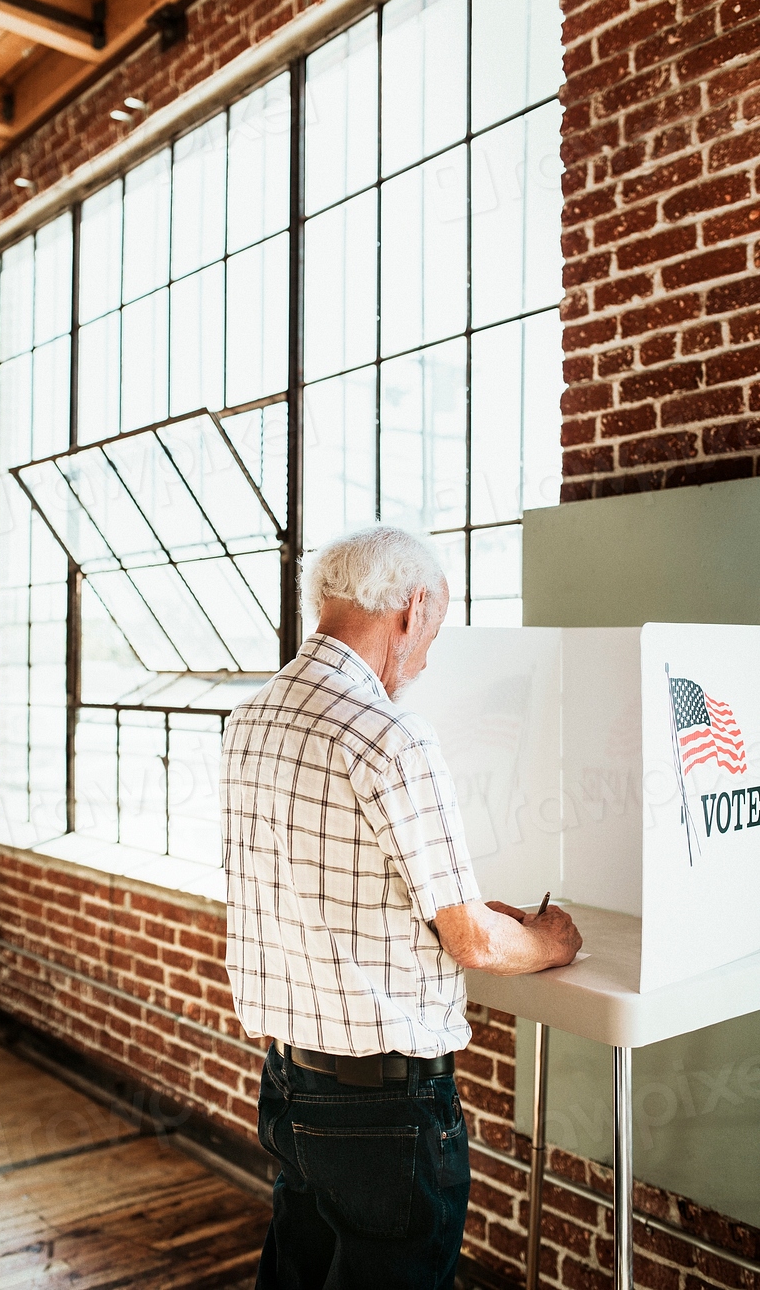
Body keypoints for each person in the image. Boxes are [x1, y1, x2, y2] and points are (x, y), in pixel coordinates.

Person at [220, 525, 581, 1290]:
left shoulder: (249, 719)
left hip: (288, 1083)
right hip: (384, 1109)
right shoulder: (390, 736)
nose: (423, 661)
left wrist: (452, 906)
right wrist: (548, 942)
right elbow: (473, 945)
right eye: (432, 634)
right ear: (412, 609)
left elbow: (314, 885)